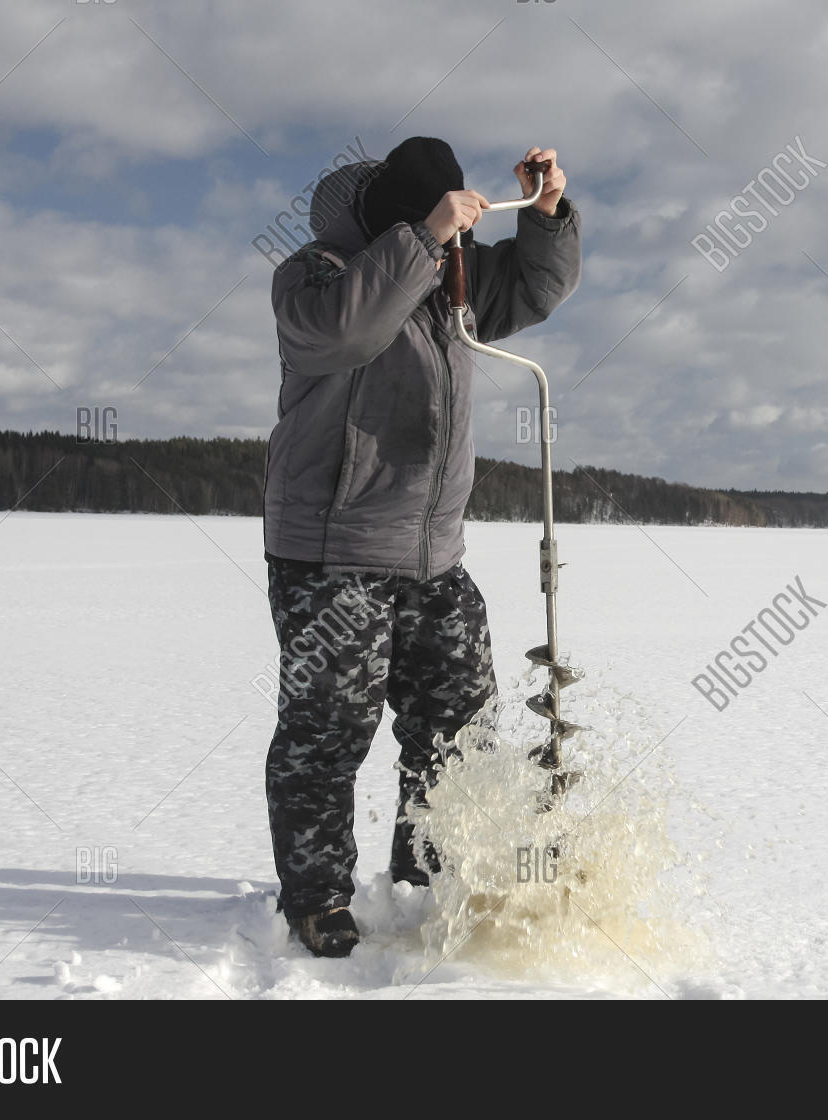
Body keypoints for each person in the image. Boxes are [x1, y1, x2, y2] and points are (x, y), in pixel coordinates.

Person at [261, 137, 581, 957]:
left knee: (459, 727)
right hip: (333, 554)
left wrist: (545, 217)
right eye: (433, 228)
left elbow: (534, 290)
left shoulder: (449, 279)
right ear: (397, 223)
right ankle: (318, 899)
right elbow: (344, 334)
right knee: (328, 730)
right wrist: (426, 241)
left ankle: (423, 879)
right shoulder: (316, 273)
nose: (454, 250)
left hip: (434, 556)